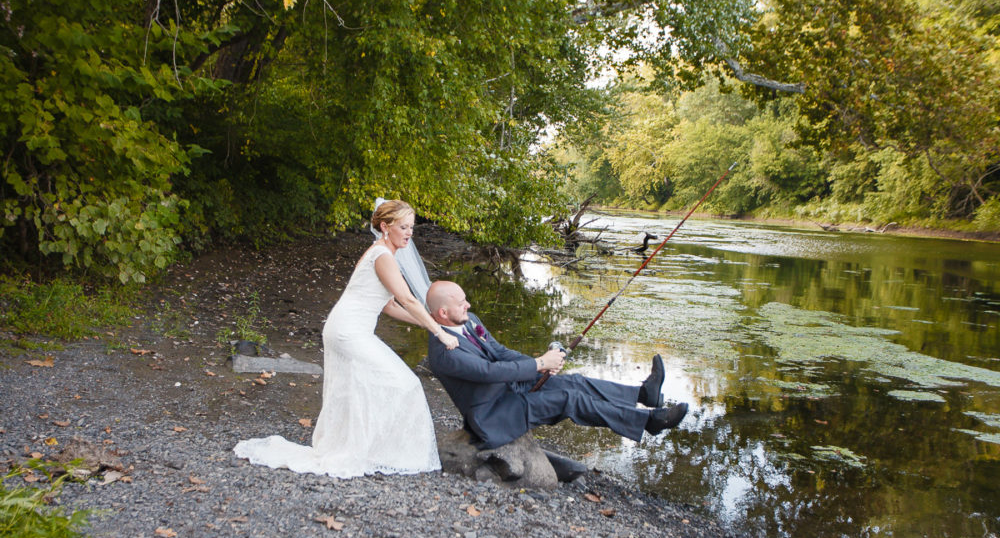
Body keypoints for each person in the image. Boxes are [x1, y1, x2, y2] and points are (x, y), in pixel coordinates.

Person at [234, 200, 460, 477]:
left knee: (358, 388)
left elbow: (388, 306)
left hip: (349, 329)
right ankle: (378, 451)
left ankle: (363, 446)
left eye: (412, 227)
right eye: (403, 227)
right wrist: (439, 332)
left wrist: (430, 323)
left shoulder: (384, 253)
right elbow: (406, 299)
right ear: (385, 227)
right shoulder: (382, 257)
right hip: (348, 331)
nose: (409, 232)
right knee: (406, 383)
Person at [425, 280, 688, 449]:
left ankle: (643, 394)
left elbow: (500, 352)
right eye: (461, 304)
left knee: (575, 382)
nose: (468, 305)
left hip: (511, 390)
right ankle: (649, 422)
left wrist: (541, 363)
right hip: (495, 415)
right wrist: (540, 363)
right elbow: (490, 372)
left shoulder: (468, 320)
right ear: (443, 314)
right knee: (569, 399)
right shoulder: (444, 352)